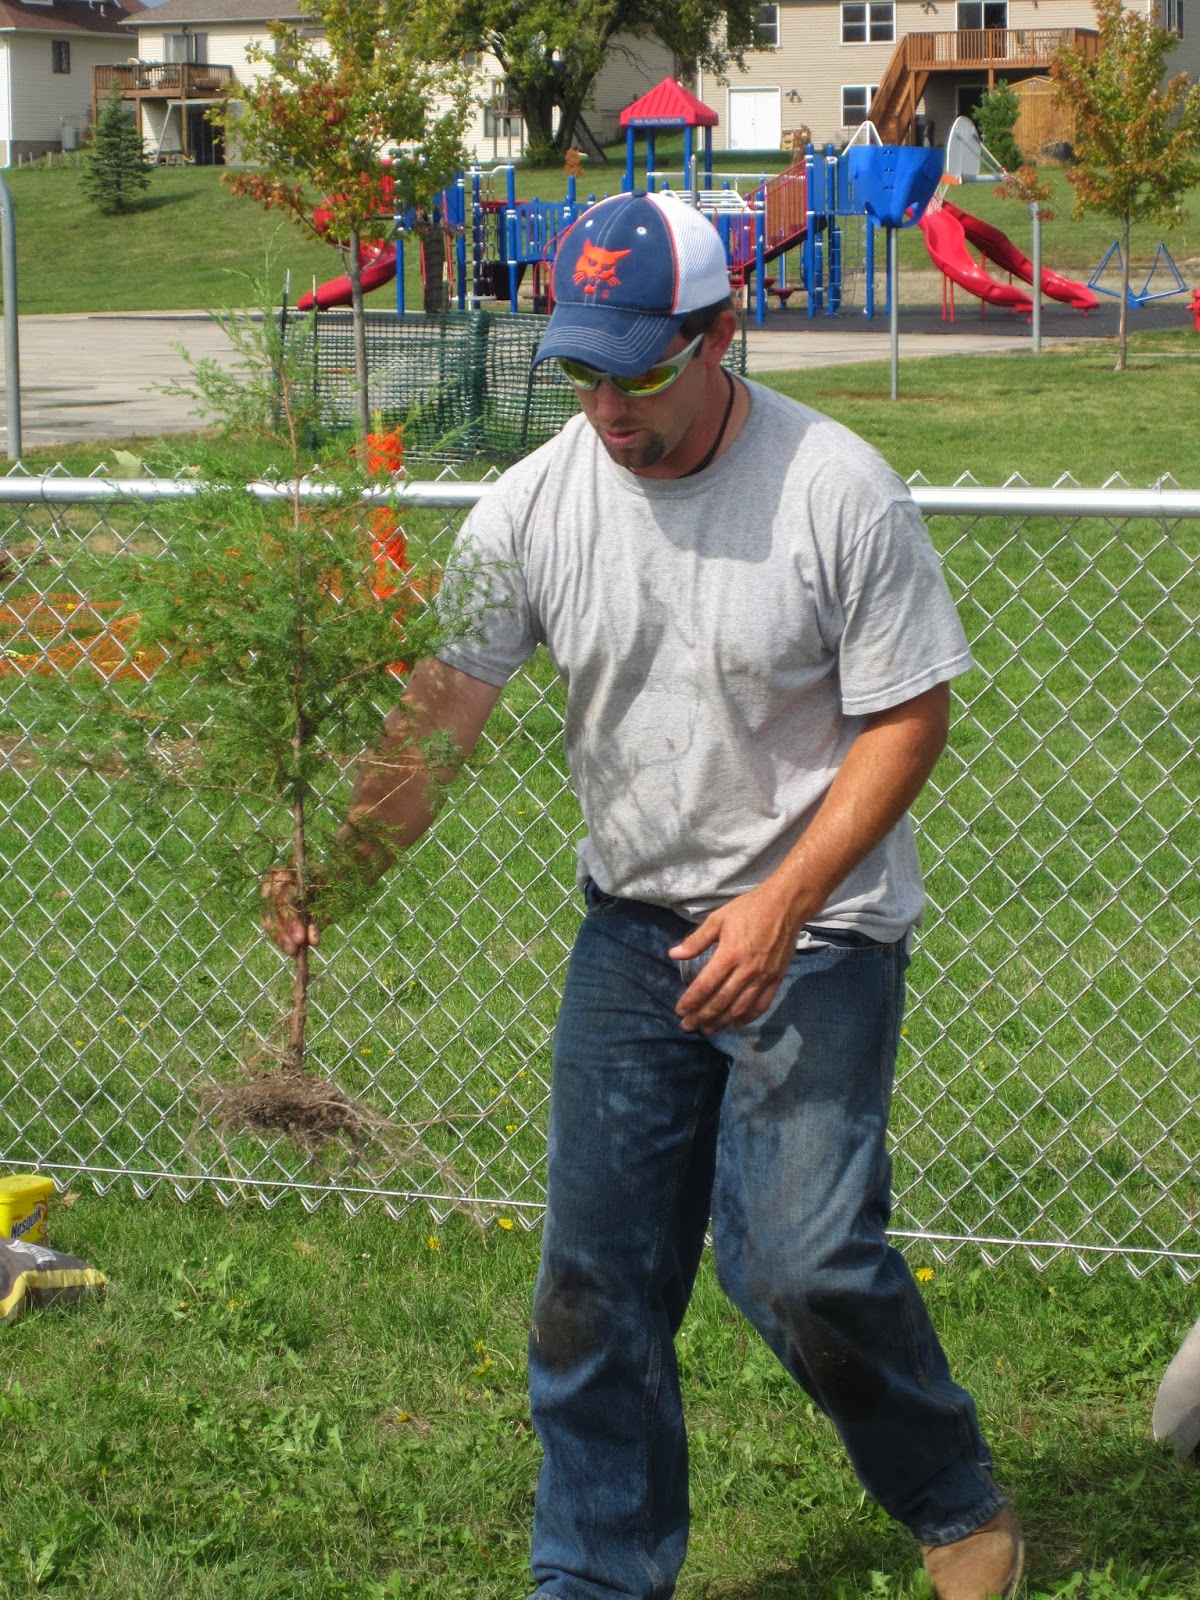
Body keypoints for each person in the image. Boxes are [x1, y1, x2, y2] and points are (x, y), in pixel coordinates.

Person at [262, 190, 1023, 1600]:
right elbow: (440, 717)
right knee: (591, 1285)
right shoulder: (531, 508)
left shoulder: (833, 488)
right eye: (584, 370)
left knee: (798, 1264)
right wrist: (344, 867)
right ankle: (597, 1576)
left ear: (722, 334)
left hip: (819, 927)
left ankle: (953, 1499)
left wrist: (783, 903)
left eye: (641, 370)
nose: (609, 406)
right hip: (636, 927)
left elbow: (910, 718)